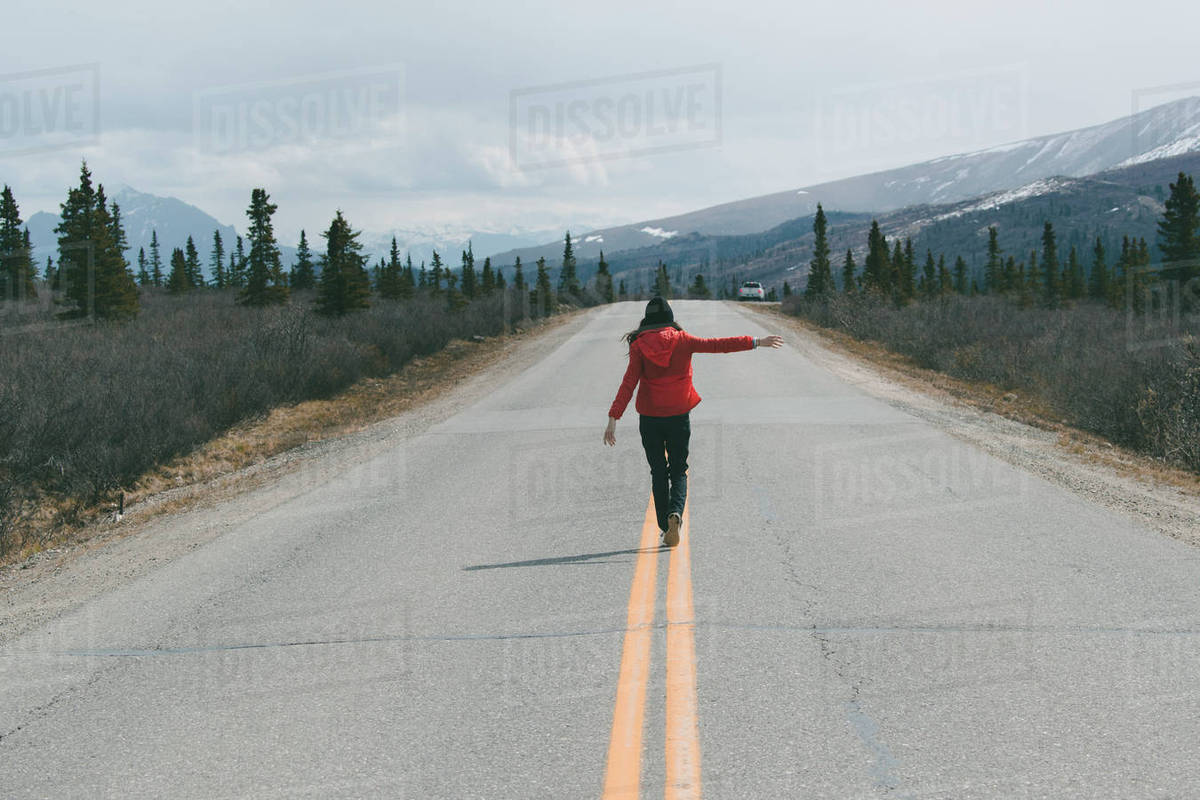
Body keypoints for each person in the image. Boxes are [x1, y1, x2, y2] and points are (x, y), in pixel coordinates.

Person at [603, 296, 783, 546]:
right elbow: (718, 345)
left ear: (647, 320)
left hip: (651, 418)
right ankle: (675, 513)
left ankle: (666, 527)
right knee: (678, 469)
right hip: (678, 415)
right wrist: (756, 342)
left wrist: (614, 417)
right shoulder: (682, 340)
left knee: (658, 471)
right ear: (669, 318)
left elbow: (628, 383)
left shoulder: (639, 346)